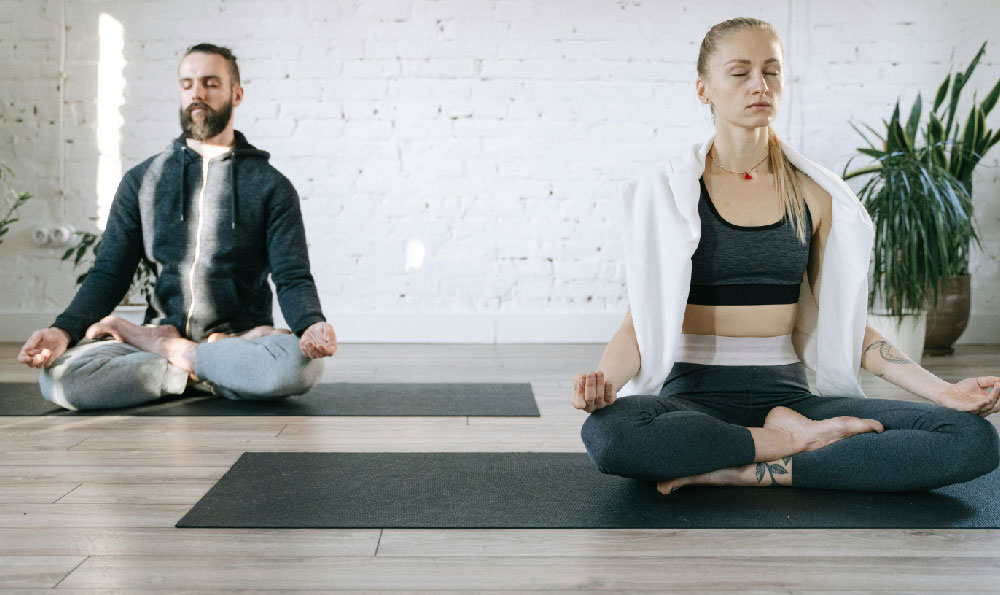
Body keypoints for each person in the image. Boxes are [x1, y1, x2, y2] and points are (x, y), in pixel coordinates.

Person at [573, 18, 1000, 494]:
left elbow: (848, 327)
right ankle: (781, 444)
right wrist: (604, 384)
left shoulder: (814, 196)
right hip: (691, 405)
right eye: (740, 72)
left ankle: (743, 466)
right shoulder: (668, 195)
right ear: (703, 89)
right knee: (609, 434)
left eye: (771, 71)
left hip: (792, 402)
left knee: (970, 439)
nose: (760, 85)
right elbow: (639, 328)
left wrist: (946, 392)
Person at [17, 43, 337, 410]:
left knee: (299, 368)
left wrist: (310, 324)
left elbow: (292, 276)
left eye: (210, 83)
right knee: (59, 380)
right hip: (165, 335)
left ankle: (176, 359)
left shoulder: (271, 186)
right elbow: (109, 273)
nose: (196, 93)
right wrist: (61, 332)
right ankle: (206, 372)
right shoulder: (142, 181)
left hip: (238, 339)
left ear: (237, 94)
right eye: (187, 84)